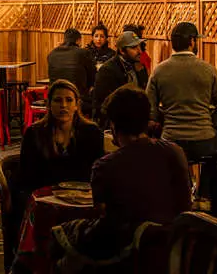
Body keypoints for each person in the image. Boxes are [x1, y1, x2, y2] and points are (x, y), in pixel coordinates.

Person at [50, 86, 191, 272]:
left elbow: (103, 218)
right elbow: (184, 202)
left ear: (113, 126)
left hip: (128, 251)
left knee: (59, 235)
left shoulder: (105, 166)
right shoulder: (175, 151)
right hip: (178, 246)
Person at [9, 80, 104, 270]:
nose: (64, 106)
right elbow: (25, 176)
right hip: (44, 197)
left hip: (81, 199)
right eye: (58, 100)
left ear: (77, 104)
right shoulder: (35, 133)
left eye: (69, 100)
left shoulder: (91, 132)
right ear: (49, 104)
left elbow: (96, 173)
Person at [146, 22, 217, 212]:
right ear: (192, 41)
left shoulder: (159, 71)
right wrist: (207, 123)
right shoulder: (208, 70)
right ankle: (205, 194)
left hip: (171, 141)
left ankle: (179, 196)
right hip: (204, 141)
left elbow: (150, 109)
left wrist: (165, 120)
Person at [93, 31, 148, 128]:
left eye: (139, 46)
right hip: (116, 125)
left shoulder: (139, 66)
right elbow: (102, 105)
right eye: (134, 47)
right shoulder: (108, 70)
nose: (139, 51)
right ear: (122, 51)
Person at [47, 27, 96, 113]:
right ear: (78, 40)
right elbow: (93, 77)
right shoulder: (83, 53)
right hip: (78, 98)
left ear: (64, 39)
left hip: (55, 97)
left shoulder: (52, 54)